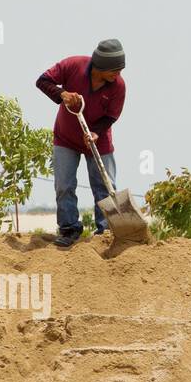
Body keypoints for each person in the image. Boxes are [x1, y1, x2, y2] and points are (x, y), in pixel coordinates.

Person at [35, 39, 127, 248]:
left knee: (105, 187)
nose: (118, 75)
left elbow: (112, 116)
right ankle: (69, 229)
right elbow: (42, 81)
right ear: (101, 65)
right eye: (115, 70)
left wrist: (96, 133)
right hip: (65, 138)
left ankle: (105, 230)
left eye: (121, 70)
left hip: (98, 140)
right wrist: (62, 94)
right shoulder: (72, 65)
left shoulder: (118, 86)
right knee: (64, 185)